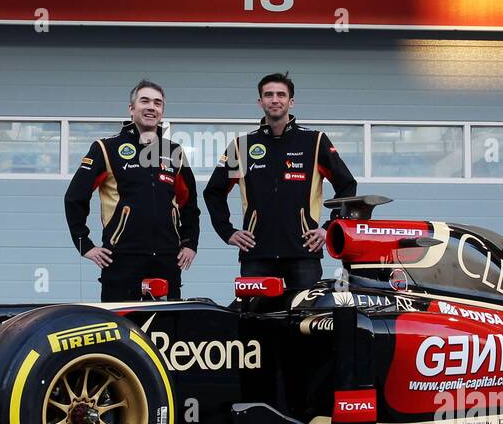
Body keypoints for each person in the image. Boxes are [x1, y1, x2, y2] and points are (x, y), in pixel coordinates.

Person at [203, 72, 357, 288]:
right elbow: (214, 192)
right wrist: (227, 232)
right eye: (268, 95)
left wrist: (328, 228)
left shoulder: (314, 141)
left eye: (281, 95)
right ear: (260, 102)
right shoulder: (242, 146)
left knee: (305, 320)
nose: (274, 100)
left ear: (291, 102)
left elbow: (347, 185)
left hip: (303, 252)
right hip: (256, 253)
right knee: (255, 320)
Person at [65, 80, 199, 301]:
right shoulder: (106, 148)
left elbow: (189, 204)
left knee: (167, 329)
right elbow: (74, 198)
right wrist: (85, 245)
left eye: (157, 103)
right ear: (131, 108)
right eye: (144, 101)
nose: (151, 107)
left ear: (162, 111)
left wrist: (190, 243)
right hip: (122, 259)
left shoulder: (173, 151)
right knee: (122, 331)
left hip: (167, 259)